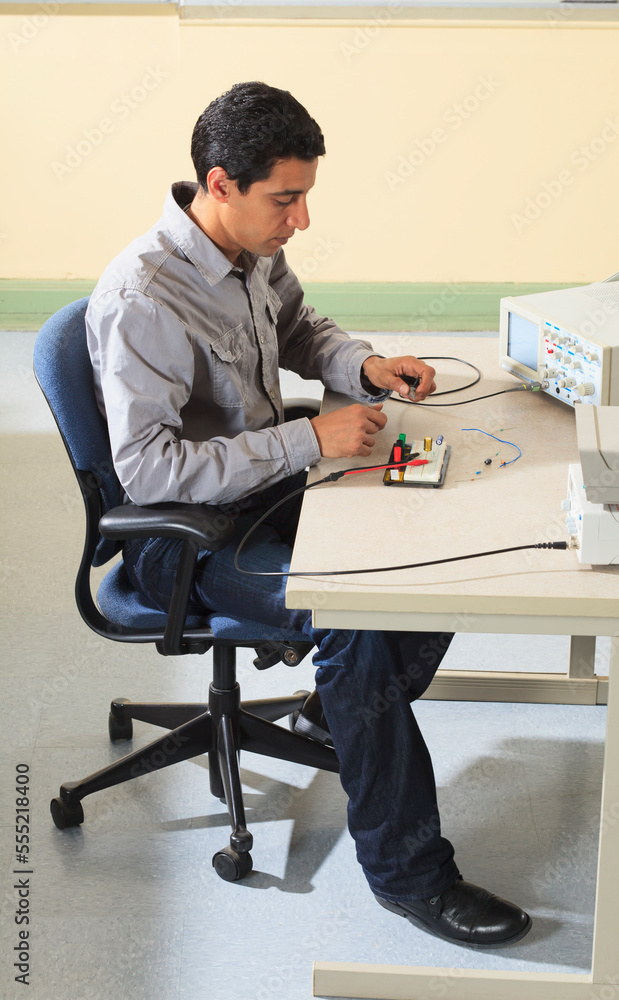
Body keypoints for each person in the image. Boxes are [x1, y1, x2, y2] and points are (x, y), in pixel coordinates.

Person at [86, 81, 531, 948]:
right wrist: (307, 440)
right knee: (359, 617)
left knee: (436, 540)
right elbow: (150, 469)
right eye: (285, 199)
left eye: (304, 197)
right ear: (221, 185)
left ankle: (340, 711)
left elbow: (298, 329)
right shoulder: (145, 296)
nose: (300, 220)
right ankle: (410, 878)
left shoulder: (250, 248)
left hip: (262, 486)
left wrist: (363, 367)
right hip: (185, 537)